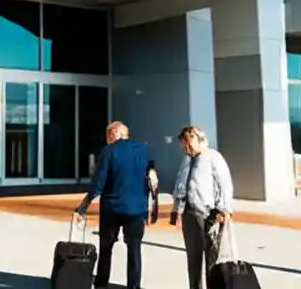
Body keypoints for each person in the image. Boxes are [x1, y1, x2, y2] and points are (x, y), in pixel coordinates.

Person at [75, 121, 158, 289]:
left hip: (112, 208)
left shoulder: (109, 151)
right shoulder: (143, 150)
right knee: (134, 250)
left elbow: (99, 182)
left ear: (114, 133)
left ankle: (101, 283)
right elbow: (152, 177)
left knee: (106, 248)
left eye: (108, 136)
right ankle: (134, 286)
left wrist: (85, 204)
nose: (107, 139)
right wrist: (153, 206)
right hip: (137, 209)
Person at [169, 125, 234, 289]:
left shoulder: (213, 157)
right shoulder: (186, 160)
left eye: (188, 142)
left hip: (209, 214)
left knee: (212, 257)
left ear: (198, 140)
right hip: (189, 213)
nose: (185, 147)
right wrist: (175, 210)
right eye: (184, 144)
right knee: (193, 257)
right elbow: (179, 185)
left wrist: (224, 209)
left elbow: (224, 185)